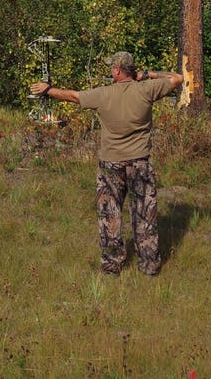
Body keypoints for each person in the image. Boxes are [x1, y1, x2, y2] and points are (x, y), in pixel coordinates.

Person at [30, 51, 183, 277]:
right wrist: (147, 74)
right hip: (140, 161)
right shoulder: (147, 89)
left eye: (113, 67)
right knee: (144, 213)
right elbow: (178, 78)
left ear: (118, 70)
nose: (111, 70)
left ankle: (112, 266)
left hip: (111, 163)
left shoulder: (103, 94)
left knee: (109, 214)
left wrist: (48, 90)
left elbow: (74, 96)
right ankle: (149, 266)